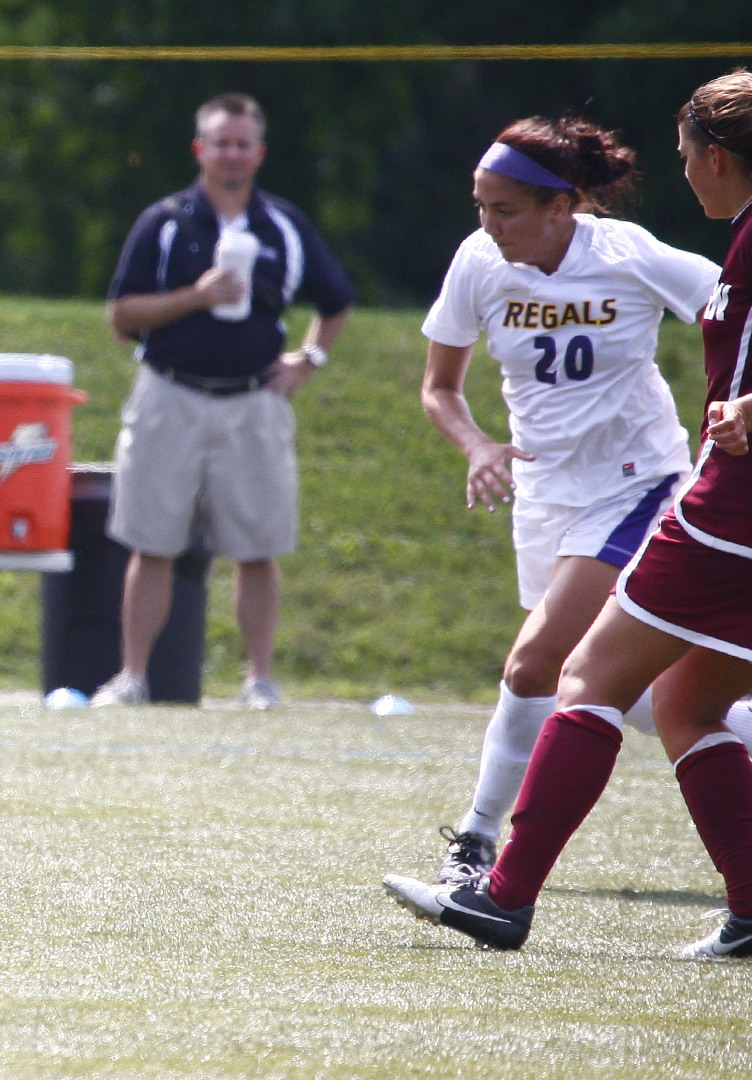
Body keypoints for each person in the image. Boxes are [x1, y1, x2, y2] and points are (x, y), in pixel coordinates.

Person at [384, 70, 752, 958]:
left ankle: (494, 878)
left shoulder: (644, 252)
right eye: (479, 206)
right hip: (550, 496)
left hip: (664, 494)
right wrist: (479, 447)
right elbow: (438, 386)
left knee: (563, 671)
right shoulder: (481, 264)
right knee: (682, 701)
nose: (487, 225)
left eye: (504, 208)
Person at [95, 93, 355, 709]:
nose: (231, 154)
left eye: (242, 144)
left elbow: (336, 300)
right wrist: (196, 297)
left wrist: (308, 359)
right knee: (151, 541)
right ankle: (132, 677)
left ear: (259, 153)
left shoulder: (283, 226)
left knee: (256, 547)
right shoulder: (164, 222)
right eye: (220, 142)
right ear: (199, 149)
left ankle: (258, 682)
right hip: (169, 394)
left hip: (253, 402)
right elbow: (121, 316)